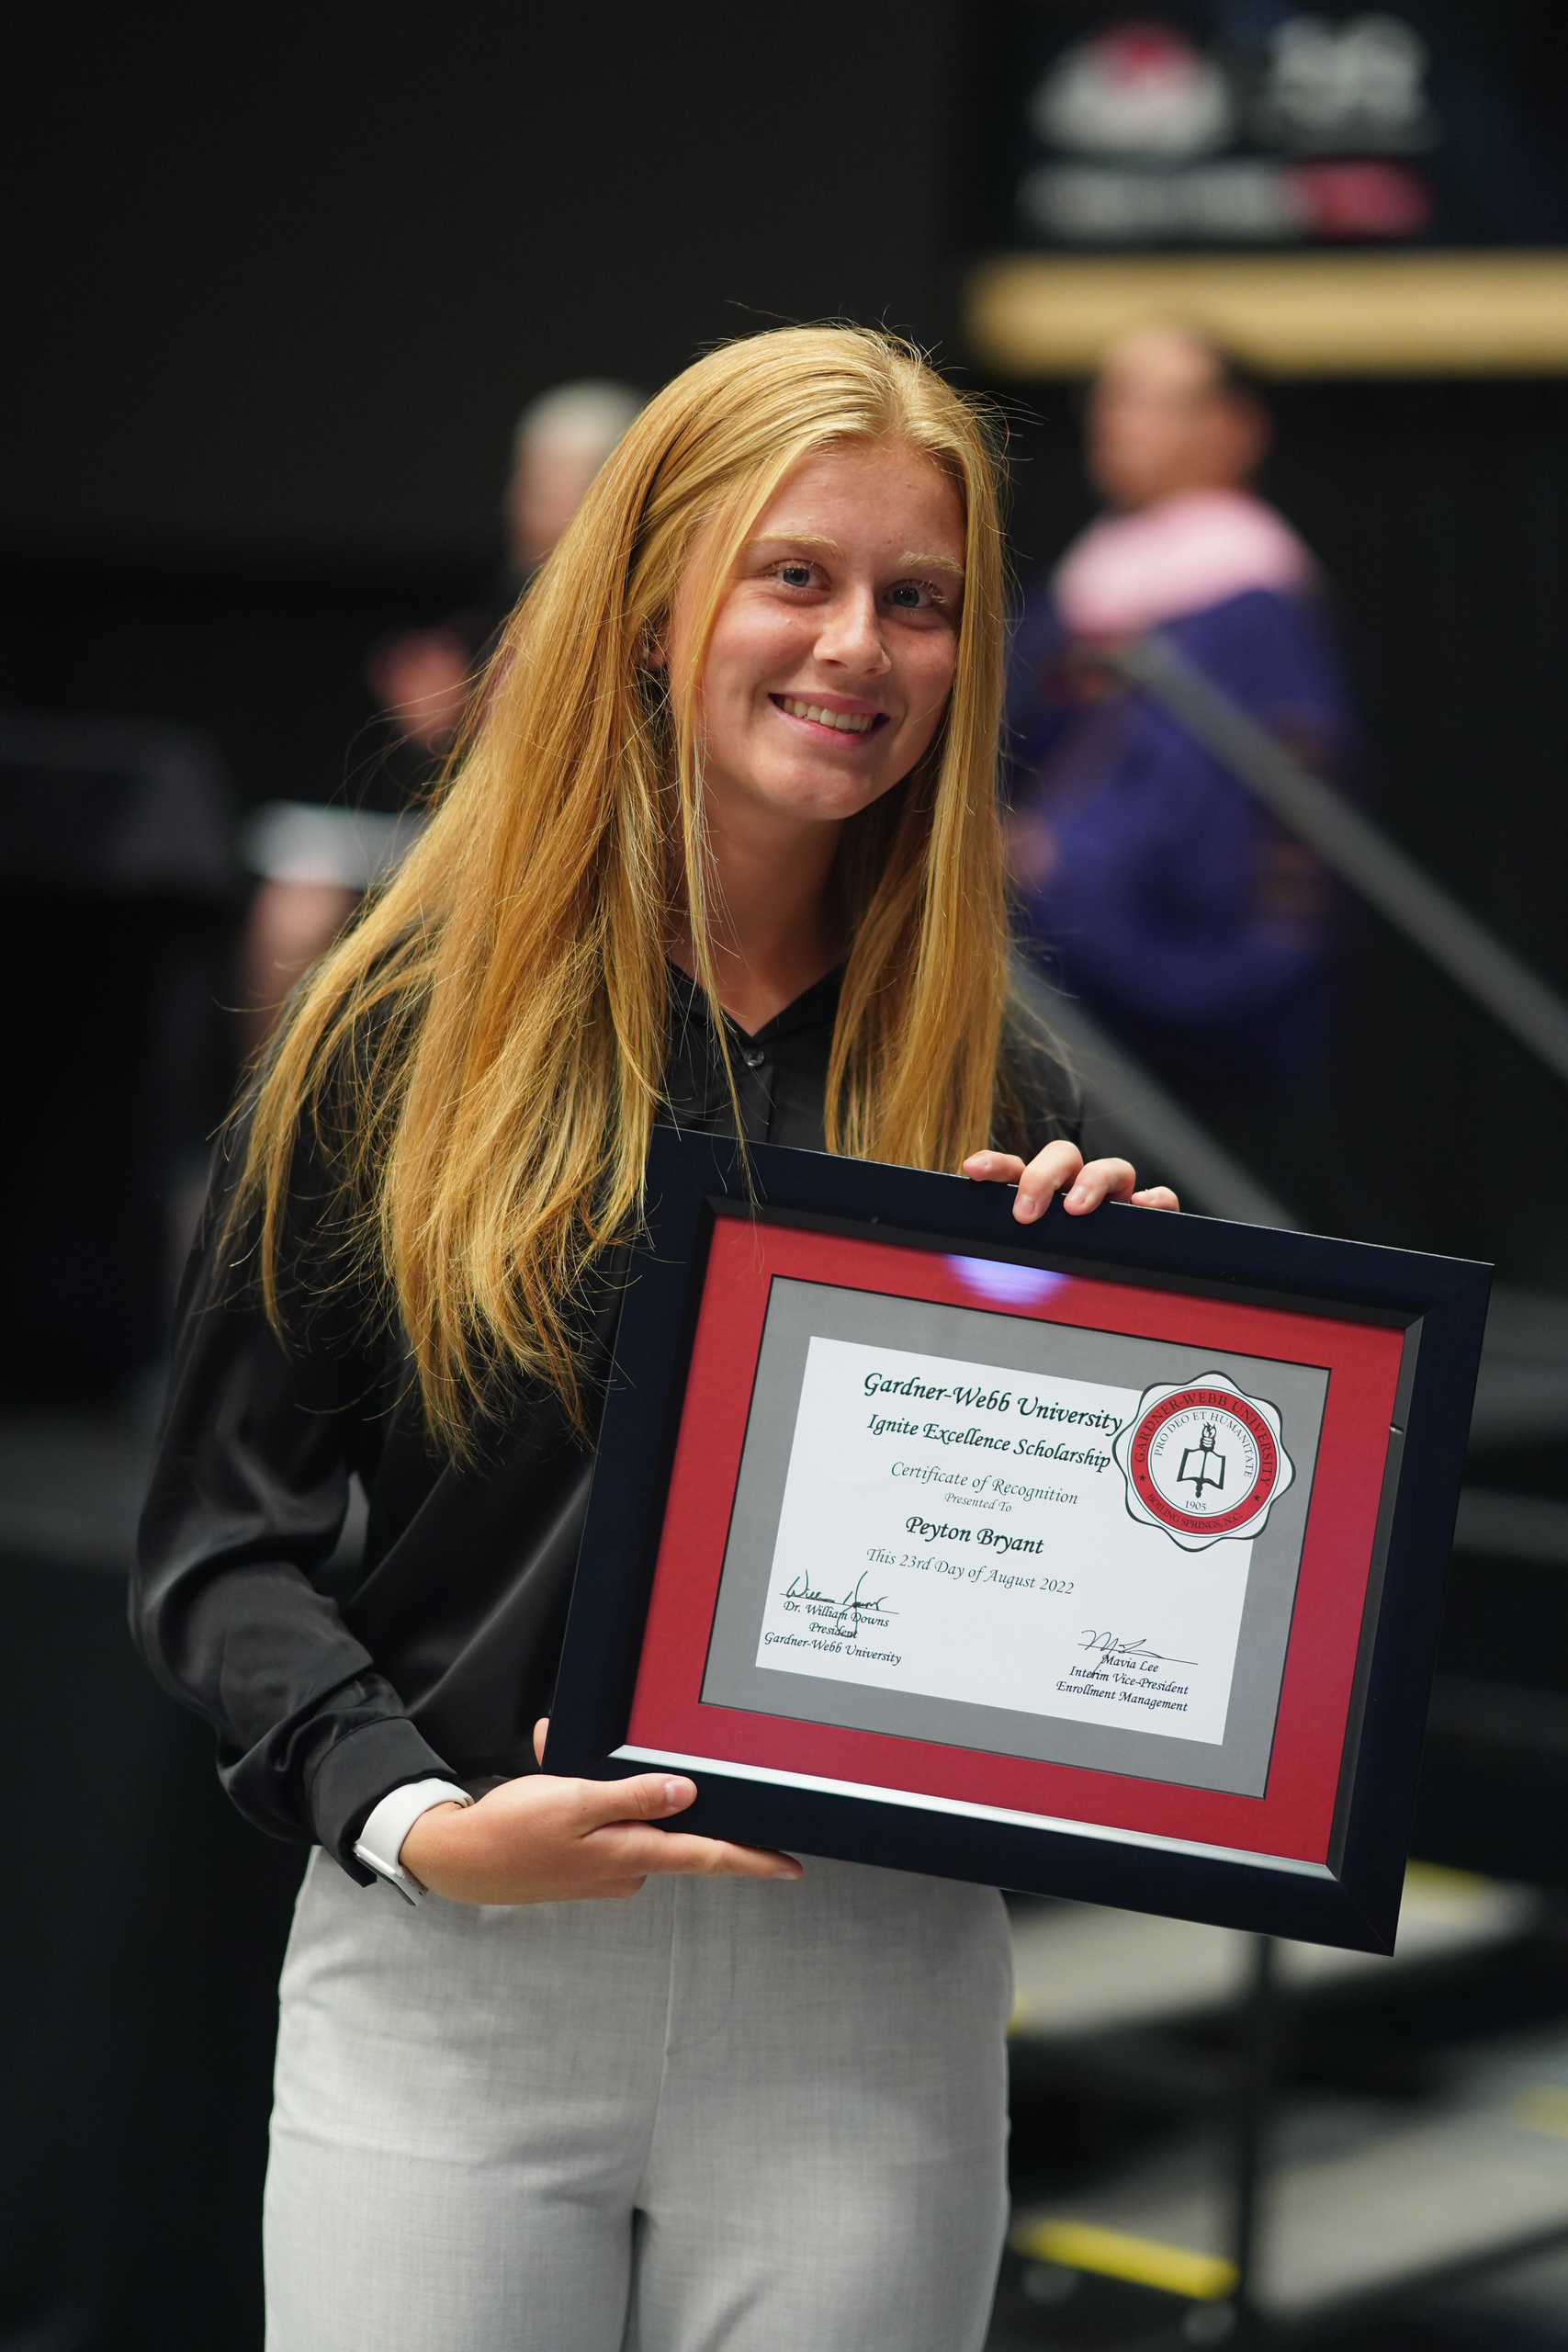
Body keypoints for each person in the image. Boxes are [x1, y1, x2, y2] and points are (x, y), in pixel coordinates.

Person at [134, 325, 1176, 2352]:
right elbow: (217, 1544)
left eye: (919, 598)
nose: (855, 645)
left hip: (867, 2006)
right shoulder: (400, 1030)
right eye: (794, 573)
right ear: (647, 604)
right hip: (455, 1981)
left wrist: (1100, 1338)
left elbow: (1090, 1613)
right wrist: (418, 1822)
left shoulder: (1006, 1078)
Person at [1008, 322, 1359, 1110]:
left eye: (1143, 400)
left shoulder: (1249, 603)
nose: (1110, 418)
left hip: (1148, 972)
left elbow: (1208, 812)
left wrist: (1047, 859)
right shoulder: (1099, 577)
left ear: (1233, 428)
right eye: (1104, 397)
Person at [237, 380, 645, 1052]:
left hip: (552, 850)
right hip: (443, 825)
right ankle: (269, 1123)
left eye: (543, 486)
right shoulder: (509, 589)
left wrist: (475, 717)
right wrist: (441, 709)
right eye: (525, 481)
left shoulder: (630, 607)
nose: (519, 503)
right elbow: (463, 733)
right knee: (294, 905)